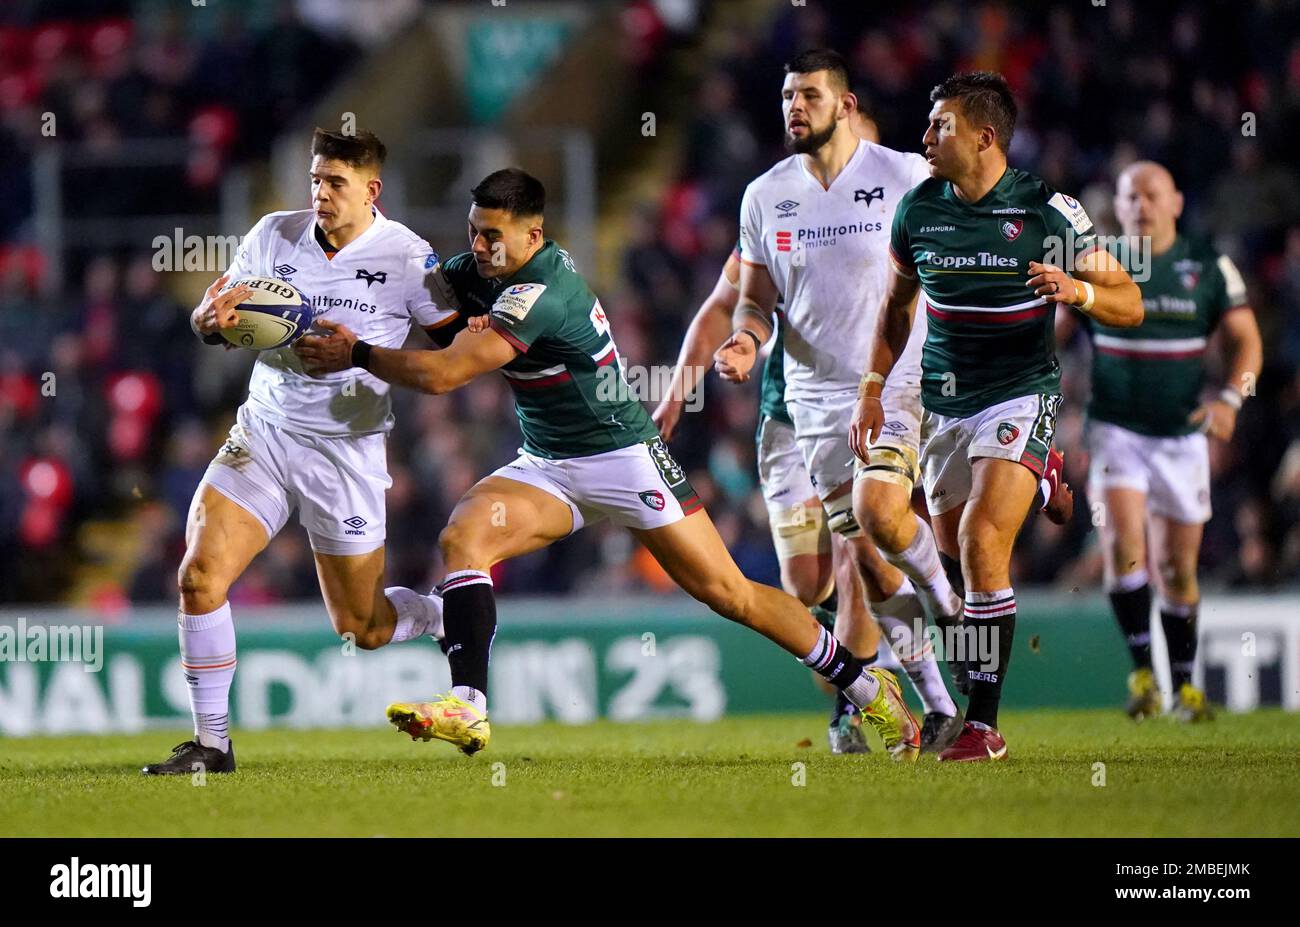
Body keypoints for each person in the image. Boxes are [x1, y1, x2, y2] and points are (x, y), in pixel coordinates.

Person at [298, 167, 924, 760]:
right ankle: (468, 704)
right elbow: (412, 289)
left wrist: (356, 351)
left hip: (623, 457)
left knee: (730, 594)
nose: (480, 247)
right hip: (548, 463)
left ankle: (868, 688)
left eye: (493, 235)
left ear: (533, 234)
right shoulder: (474, 271)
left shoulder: (545, 290)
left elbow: (444, 375)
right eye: (473, 232)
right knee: (463, 536)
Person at [142, 128, 458, 775]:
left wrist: (361, 356)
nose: (320, 194)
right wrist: (214, 321)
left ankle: (441, 615)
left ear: (371, 190)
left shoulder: (408, 258)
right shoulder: (271, 236)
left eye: (335, 183)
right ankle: (212, 744)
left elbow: (459, 351)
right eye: (315, 180)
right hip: (266, 430)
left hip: (346, 453)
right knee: (199, 577)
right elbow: (210, 313)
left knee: (362, 627)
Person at [852, 71, 1144, 761]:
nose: (924, 136)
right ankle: (1041, 477)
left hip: (1020, 390)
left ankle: (982, 724)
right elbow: (896, 307)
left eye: (939, 125)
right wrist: (871, 386)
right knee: (955, 568)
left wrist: (1077, 288)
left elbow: (1128, 300)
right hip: (945, 402)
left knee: (986, 541)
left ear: (984, 136)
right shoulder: (918, 210)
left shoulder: (1047, 211)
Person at [714, 49, 965, 752]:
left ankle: (950, 603)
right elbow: (757, 297)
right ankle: (938, 705)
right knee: (873, 563)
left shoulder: (903, 176)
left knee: (878, 511)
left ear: (846, 105)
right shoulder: (765, 195)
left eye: (811, 96)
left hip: (895, 384)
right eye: (788, 96)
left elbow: (951, 256)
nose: (796, 107)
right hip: (814, 402)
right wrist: (743, 340)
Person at [1060, 160, 1262, 722]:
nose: (1141, 206)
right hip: (1114, 429)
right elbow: (1052, 341)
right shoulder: (1098, 263)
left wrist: (1230, 400)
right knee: (1125, 548)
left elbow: (1247, 345)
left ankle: (1184, 687)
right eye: (1130, 197)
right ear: (1118, 208)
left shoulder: (1209, 264)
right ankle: (1143, 674)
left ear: (1175, 202)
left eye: (1151, 195)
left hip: (1182, 433)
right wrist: (1057, 412)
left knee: (1177, 569)